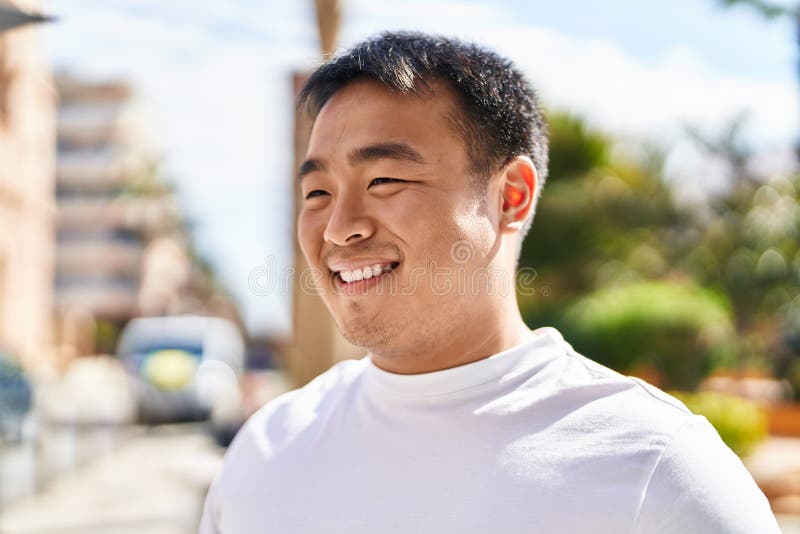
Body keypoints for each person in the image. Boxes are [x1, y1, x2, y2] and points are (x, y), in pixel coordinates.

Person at [200, 32, 779, 533]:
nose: (340, 228)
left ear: (510, 196)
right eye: (317, 193)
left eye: (384, 180)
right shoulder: (266, 452)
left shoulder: (655, 468)